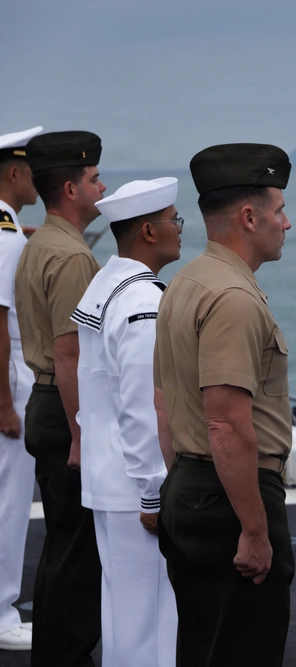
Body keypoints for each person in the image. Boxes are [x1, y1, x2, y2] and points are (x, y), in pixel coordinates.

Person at [154, 143, 294, 667]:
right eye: (279, 210)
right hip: (232, 495)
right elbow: (227, 423)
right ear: (249, 216)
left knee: (203, 649)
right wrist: (255, 530)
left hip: (195, 487)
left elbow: (163, 399)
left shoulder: (185, 283)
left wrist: (181, 485)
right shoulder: (232, 298)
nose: (287, 222)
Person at [71, 177, 183, 667]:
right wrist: (154, 493)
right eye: (173, 221)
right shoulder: (142, 301)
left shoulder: (107, 282)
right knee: (150, 626)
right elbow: (141, 406)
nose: (181, 229)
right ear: (149, 232)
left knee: (124, 619)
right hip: (134, 486)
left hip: (109, 477)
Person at [15, 130, 106, 666]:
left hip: (46, 403)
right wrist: (82, 434)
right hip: (64, 407)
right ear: (70, 189)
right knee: (78, 556)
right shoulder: (71, 258)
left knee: (62, 548)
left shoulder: (40, 243)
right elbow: (71, 357)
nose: (102, 186)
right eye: (94, 178)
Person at [0, 124, 43, 653]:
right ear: (13, 172)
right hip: (10, 381)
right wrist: (5, 405)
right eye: (34, 169)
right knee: (9, 502)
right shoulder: (4, 235)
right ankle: (2, 612)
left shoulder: (10, 230)